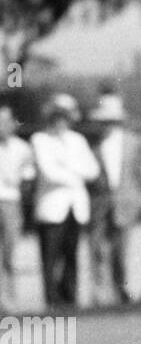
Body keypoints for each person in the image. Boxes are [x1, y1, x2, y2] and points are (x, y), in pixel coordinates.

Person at [31, 94, 100, 309]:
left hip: (75, 208)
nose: (61, 121)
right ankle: (52, 301)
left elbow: (92, 170)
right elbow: (48, 172)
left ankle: (70, 299)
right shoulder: (40, 139)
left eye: (64, 117)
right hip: (52, 209)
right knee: (50, 258)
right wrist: (75, 173)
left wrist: (67, 166)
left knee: (71, 255)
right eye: (57, 117)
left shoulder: (77, 140)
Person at [84, 93, 141, 305]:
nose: (106, 125)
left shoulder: (133, 142)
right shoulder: (93, 144)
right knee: (97, 249)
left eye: (110, 121)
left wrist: (133, 200)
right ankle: (100, 293)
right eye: (104, 121)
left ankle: (121, 289)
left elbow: (137, 175)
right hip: (100, 203)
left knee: (121, 251)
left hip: (124, 203)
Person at [0, 103, 36, 313]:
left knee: (9, 254)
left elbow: (28, 177)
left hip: (11, 203)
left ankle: (9, 301)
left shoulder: (22, 148)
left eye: (5, 121)